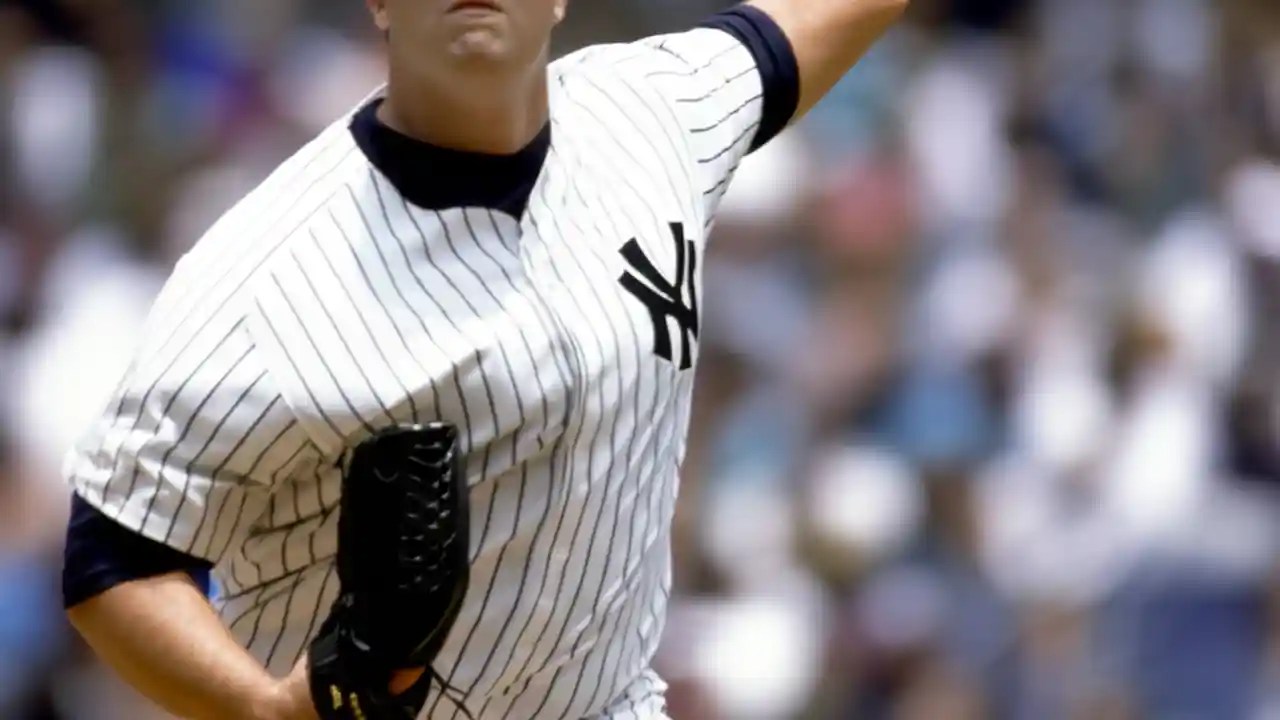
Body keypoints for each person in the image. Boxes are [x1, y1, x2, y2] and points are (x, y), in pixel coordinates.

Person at [59, 0, 908, 718]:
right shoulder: (264, 277)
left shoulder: (655, 115)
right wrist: (262, 708)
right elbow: (113, 563)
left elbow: (807, 26)